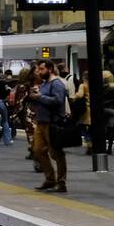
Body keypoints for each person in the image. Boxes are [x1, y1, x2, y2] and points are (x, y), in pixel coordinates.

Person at [32, 59, 68, 192]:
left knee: (57, 154)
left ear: (50, 69)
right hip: (41, 123)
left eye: (42, 69)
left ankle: (61, 182)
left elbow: (58, 101)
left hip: (52, 123)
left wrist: (40, 97)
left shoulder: (57, 84)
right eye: (38, 69)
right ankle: (50, 179)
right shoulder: (44, 84)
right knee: (38, 151)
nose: (39, 72)